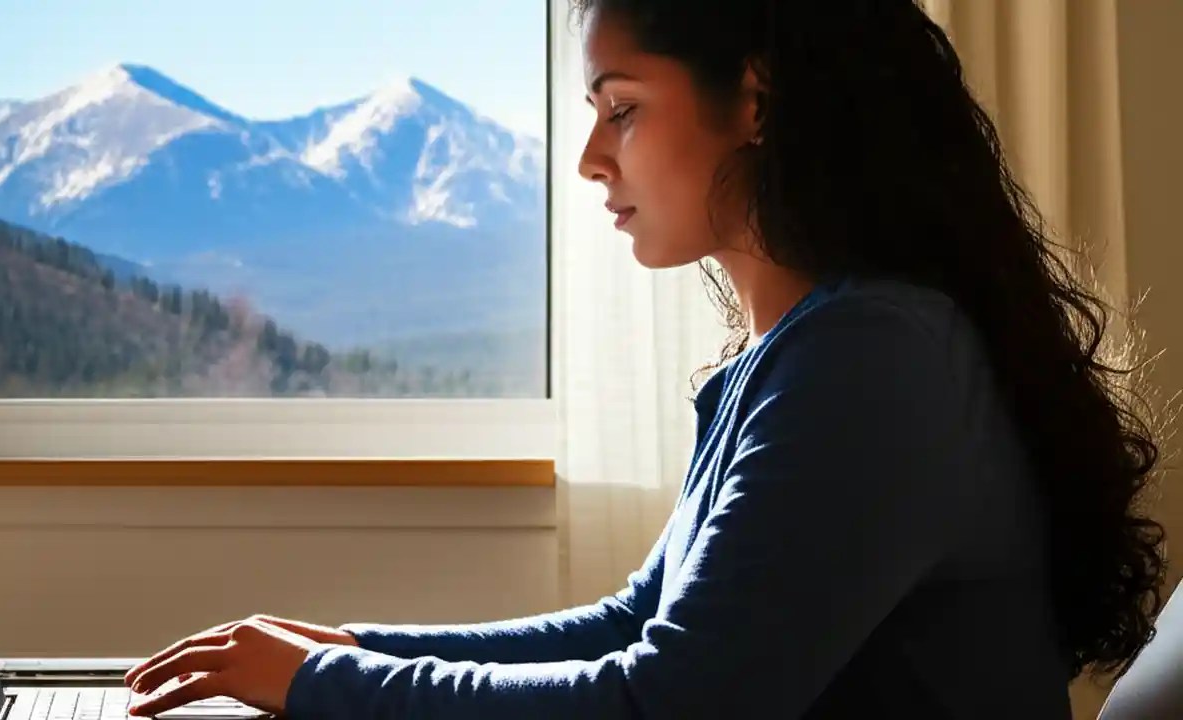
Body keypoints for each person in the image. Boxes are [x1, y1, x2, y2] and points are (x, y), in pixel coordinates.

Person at [122, 1, 1169, 717]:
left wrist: (321, 685)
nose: (589, 159)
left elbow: (665, 701)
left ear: (754, 101)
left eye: (621, 109)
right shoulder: (806, 350)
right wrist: (351, 652)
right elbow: (639, 622)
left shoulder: (869, 363)